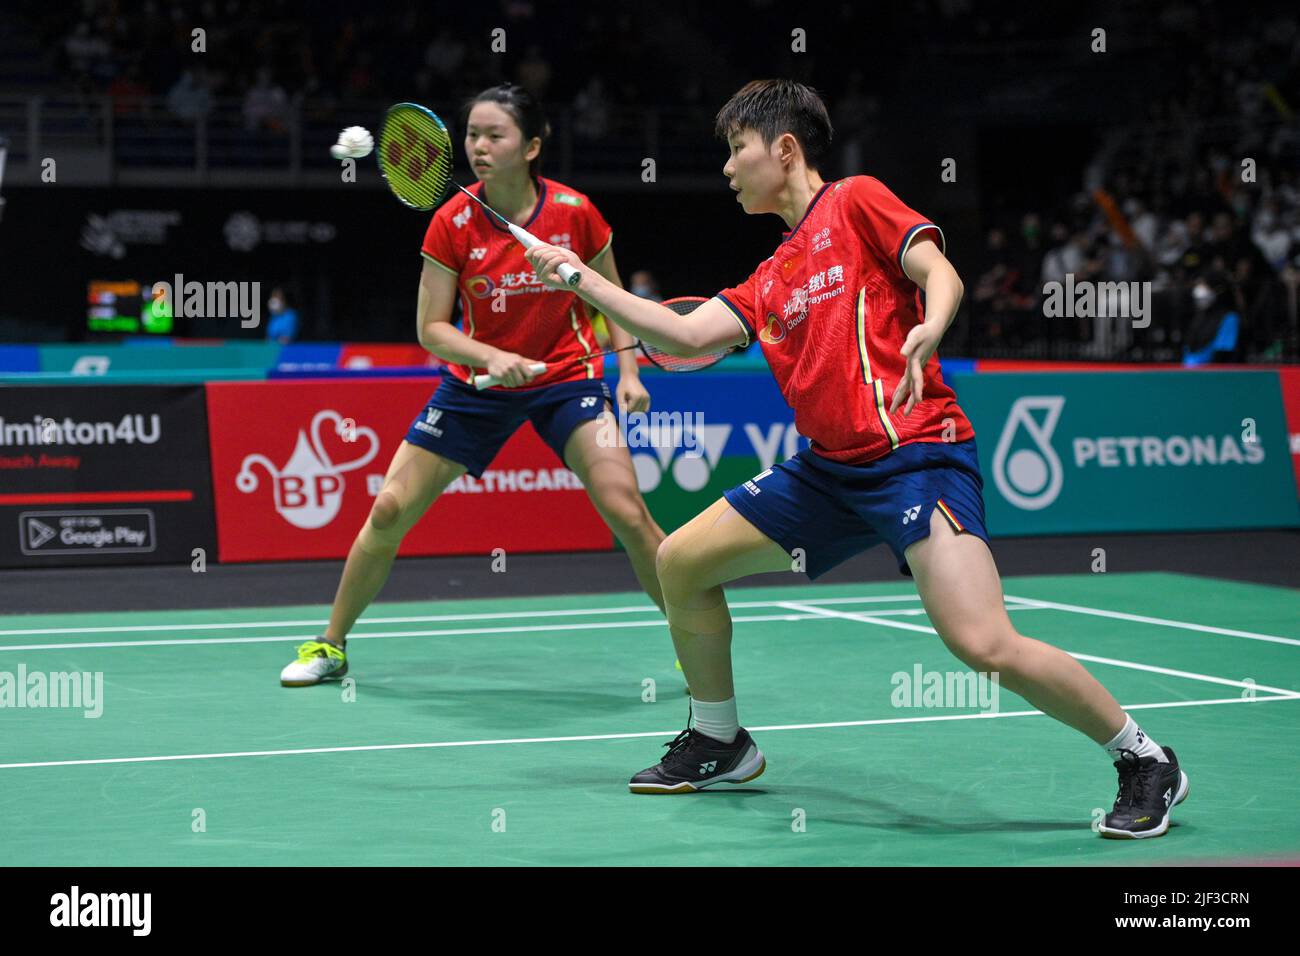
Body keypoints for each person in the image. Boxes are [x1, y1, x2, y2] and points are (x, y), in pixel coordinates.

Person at [524, 79, 1190, 840]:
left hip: (917, 457)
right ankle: (719, 741)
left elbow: (939, 271)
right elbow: (683, 336)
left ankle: (1143, 758)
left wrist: (931, 327)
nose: (728, 170)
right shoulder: (770, 277)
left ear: (784, 149)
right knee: (680, 562)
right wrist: (580, 279)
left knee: (981, 642)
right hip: (827, 472)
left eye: (737, 150)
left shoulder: (857, 201)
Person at [280, 84, 668, 687]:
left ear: (533, 145)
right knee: (387, 510)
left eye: (495, 136)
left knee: (626, 509)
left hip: (567, 377)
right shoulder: (453, 222)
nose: (479, 147)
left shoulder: (574, 213)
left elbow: (611, 300)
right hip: (476, 385)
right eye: (472, 136)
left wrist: (628, 370)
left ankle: (693, 636)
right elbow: (431, 329)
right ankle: (330, 645)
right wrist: (493, 356)